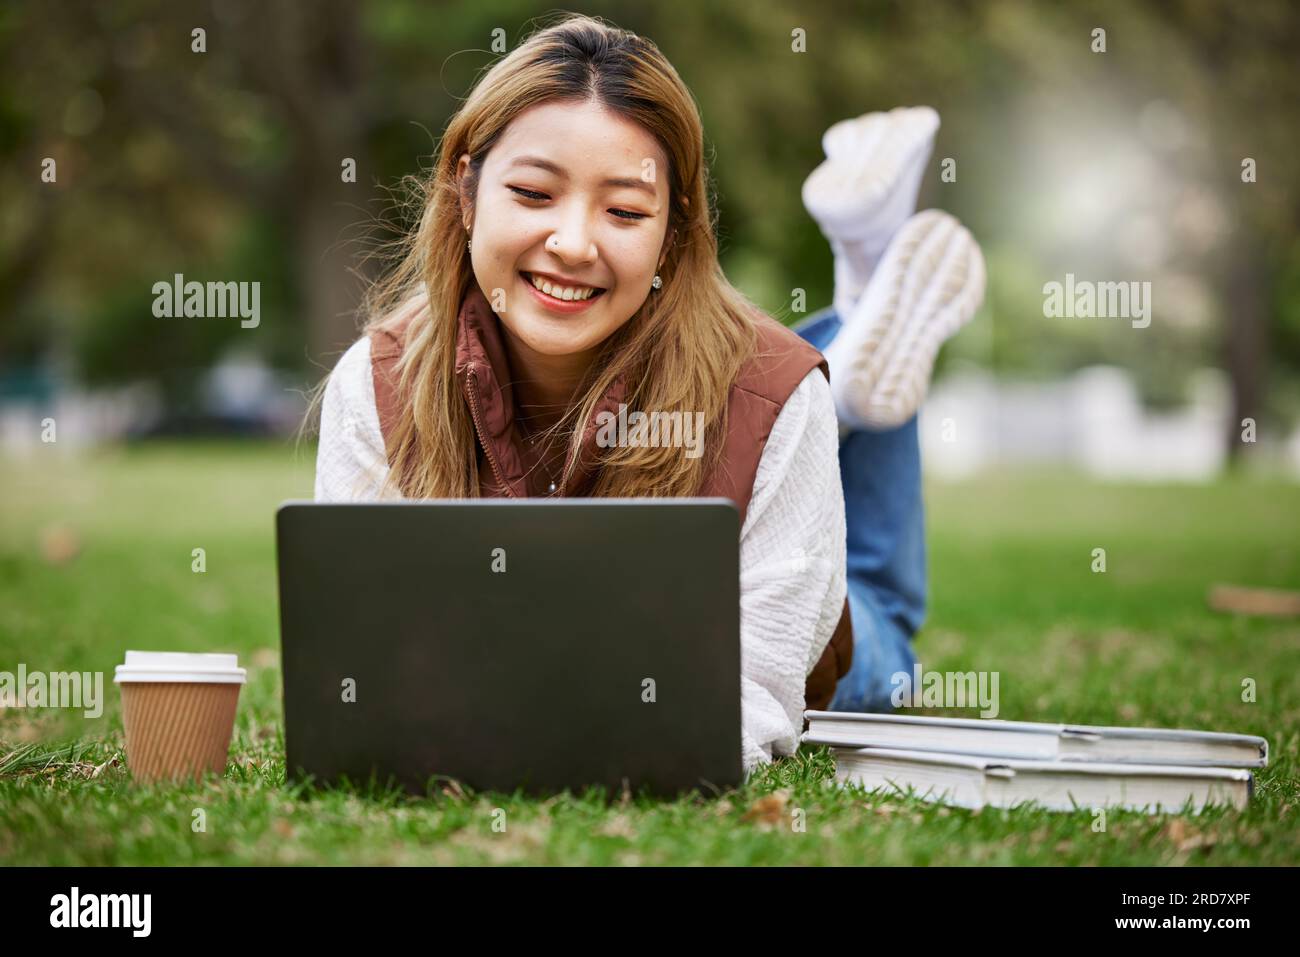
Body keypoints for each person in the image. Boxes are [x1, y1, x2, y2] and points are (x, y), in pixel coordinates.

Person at [312, 14, 984, 775]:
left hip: (798, 628)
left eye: (625, 211)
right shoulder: (379, 382)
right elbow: (364, 669)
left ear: (672, 233)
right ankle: (859, 328)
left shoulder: (774, 388)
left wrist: (567, 756)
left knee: (883, 641)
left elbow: (752, 696)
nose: (573, 242)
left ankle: (859, 317)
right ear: (466, 193)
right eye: (533, 192)